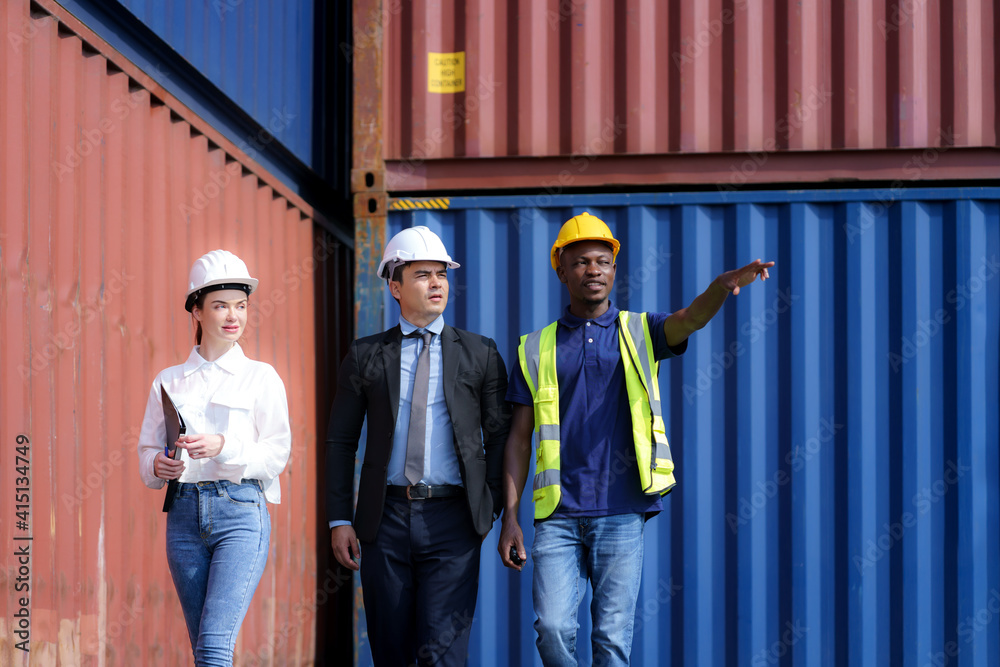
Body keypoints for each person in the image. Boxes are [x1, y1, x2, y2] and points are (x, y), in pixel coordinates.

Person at [498, 212, 774, 666]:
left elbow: (691, 319)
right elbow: (519, 440)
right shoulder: (534, 347)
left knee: (611, 640)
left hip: (623, 509)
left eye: (603, 261)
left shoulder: (640, 331)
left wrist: (721, 288)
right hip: (558, 514)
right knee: (552, 630)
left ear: (614, 270)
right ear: (562, 271)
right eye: (581, 262)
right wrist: (510, 517)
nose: (593, 270)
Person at [325, 226, 512, 666]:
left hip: (454, 520)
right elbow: (340, 441)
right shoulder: (366, 355)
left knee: (444, 656)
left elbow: (500, 435)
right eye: (423, 275)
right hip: (384, 520)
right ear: (395, 287)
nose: (436, 284)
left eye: (441, 274)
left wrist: (488, 507)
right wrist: (340, 518)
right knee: (392, 653)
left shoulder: (481, 353)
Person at [137, 249, 291, 667]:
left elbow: (276, 454)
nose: (233, 316)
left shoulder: (262, 378)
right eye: (221, 305)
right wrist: (157, 465)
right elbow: (147, 452)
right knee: (203, 648)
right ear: (197, 311)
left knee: (213, 646)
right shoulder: (168, 381)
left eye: (241, 305)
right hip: (183, 518)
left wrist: (226, 445)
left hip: (240, 513)